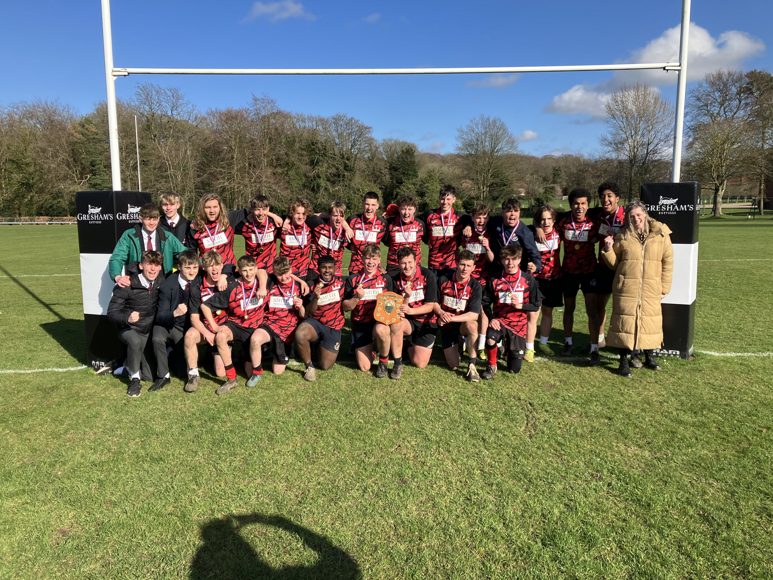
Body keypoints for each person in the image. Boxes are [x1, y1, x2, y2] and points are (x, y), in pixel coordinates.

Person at [601, 201, 673, 377]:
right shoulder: (623, 235)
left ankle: (649, 356)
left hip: (651, 287)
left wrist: (665, 287)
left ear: (645, 214)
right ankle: (623, 361)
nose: (636, 219)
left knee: (651, 322)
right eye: (632, 216)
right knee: (624, 323)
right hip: (626, 287)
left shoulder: (661, 234)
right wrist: (608, 250)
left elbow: (668, 262)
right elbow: (615, 264)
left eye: (639, 215)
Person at [199, 255, 269, 395]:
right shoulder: (233, 287)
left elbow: (263, 272)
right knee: (220, 337)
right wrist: (215, 327)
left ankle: (248, 361)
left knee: (250, 373)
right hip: (236, 325)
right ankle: (231, 379)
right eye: (244, 271)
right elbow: (205, 306)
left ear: (255, 269)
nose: (248, 274)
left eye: (251, 269)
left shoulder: (264, 282)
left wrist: (262, 286)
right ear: (240, 271)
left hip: (254, 326)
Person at [107, 250, 165, 397]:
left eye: (156, 265)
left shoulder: (161, 282)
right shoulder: (127, 284)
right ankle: (134, 381)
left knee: (150, 376)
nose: (153, 268)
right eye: (149, 264)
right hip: (128, 328)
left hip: (146, 330)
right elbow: (111, 313)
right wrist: (127, 318)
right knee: (134, 340)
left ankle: (124, 368)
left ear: (160, 267)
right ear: (141, 265)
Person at [480, 245, 540, 380]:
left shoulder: (529, 280)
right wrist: (491, 319)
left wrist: (521, 306)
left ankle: (508, 348)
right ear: (502, 260)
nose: (510, 263)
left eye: (514, 259)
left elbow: (536, 306)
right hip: (500, 321)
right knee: (490, 338)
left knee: (514, 369)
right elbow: (485, 303)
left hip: (518, 326)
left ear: (519, 260)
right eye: (507, 259)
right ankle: (491, 365)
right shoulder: (494, 279)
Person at [554, 188, 601, 364]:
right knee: (569, 308)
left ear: (588, 205)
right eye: (576, 203)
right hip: (569, 272)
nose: (579, 207)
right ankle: (568, 342)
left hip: (589, 271)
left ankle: (595, 348)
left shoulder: (595, 221)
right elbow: (541, 218)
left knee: (591, 310)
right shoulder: (563, 221)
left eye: (583, 203)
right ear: (571, 205)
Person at [342, 244, 398, 378]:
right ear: (362, 259)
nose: (370, 262)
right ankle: (373, 350)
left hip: (379, 322)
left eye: (374, 258)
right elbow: (345, 307)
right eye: (367, 258)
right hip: (361, 323)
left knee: (382, 330)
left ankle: (383, 362)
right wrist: (356, 297)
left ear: (379, 260)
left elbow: (392, 303)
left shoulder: (386, 279)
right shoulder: (353, 279)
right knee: (364, 367)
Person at [151, 250, 200, 391]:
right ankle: (163, 376)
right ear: (179, 267)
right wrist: (175, 313)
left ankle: (169, 352)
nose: (192, 271)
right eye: (188, 267)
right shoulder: (168, 285)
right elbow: (160, 316)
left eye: (195, 267)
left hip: (184, 328)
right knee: (157, 338)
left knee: (182, 372)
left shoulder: (199, 279)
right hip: (167, 323)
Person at [184, 250, 231, 393]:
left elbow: (238, 268)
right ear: (203, 268)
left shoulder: (228, 281)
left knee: (220, 372)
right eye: (210, 266)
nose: (214, 268)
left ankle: (219, 353)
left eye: (217, 265)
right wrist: (207, 333)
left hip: (224, 328)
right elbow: (194, 318)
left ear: (222, 266)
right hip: (205, 327)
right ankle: (193, 375)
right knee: (190, 336)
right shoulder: (197, 287)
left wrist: (225, 276)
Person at [251, 256, 306, 378]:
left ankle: (274, 351)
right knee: (255, 339)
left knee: (277, 371)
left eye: (286, 273)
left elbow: (303, 315)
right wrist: (262, 287)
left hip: (287, 330)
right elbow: (260, 271)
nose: (284, 277)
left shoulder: (299, 286)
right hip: (269, 324)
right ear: (274, 272)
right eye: (280, 274)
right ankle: (256, 372)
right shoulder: (271, 281)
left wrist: (301, 307)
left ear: (291, 270)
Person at [390, 246, 438, 379]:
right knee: (396, 324)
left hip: (426, 320)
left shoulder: (428, 275)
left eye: (410, 262)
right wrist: (406, 297)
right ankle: (397, 363)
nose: (407, 266)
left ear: (416, 261)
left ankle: (407, 346)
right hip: (407, 320)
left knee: (420, 363)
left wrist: (412, 310)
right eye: (403, 263)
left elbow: (430, 305)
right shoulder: (395, 280)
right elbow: (400, 311)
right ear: (398, 264)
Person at [295, 255, 346, 381]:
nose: (327, 270)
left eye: (330, 267)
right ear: (318, 269)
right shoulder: (311, 285)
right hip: (316, 322)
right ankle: (309, 366)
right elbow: (308, 313)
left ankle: (318, 345)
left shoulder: (343, 283)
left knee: (325, 366)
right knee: (301, 333)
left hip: (334, 326)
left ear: (335, 269)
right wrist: (316, 298)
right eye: (323, 267)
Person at [109, 203, 185, 287]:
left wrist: (200, 264)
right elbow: (117, 258)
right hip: (137, 286)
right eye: (148, 219)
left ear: (159, 219)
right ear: (141, 219)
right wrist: (117, 277)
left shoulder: (168, 237)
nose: (152, 223)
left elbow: (185, 255)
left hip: (163, 284)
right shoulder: (129, 235)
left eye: (155, 219)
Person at [435, 250, 483, 382]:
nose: (464, 269)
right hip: (447, 324)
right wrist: (441, 313)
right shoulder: (444, 280)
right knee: (454, 365)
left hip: (462, 322)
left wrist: (452, 318)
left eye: (468, 266)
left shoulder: (475, 286)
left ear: (473, 267)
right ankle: (459, 343)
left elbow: (474, 315)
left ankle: (472, 365)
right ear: (456, 263)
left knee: (473, 326)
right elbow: (434, 302)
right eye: (462, 264)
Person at [527, 205, 563, 357]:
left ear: (554, 220)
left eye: (549, 219)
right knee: (533, 314)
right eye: (542, 220)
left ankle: (543, 343)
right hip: (536, 280)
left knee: (548, 312)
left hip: (554, 279)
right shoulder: (531, 233)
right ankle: (529, 348)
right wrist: (537, 228)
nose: (546, 222)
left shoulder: (560, 232)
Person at [461, 202, 495, 359]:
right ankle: (464, 339)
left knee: (481, 310)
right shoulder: (466, 233)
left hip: (482, 279)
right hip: (466, 278)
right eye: (478, 217)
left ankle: (480, 344)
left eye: (484, 217)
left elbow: (492, 260)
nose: (481, 220)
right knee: (464, 307)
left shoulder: (491, 233)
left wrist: (488, 247)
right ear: (472, 218)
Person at [186, 193, 247, 269]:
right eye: (208, 207)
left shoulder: (230, 219)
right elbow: (191, 253)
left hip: (228, 271)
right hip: (206, 271)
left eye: (215, 207)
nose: (212, 211)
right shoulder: (195, 227)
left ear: (220, 208)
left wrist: (267, 213)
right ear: (202, 209)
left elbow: (252, 210)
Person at [419, 185, 467, 279]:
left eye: (448, 199)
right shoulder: (429, 214)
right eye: (442, 199)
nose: (445, 202)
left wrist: (468, 226)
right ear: (439, 199)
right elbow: (416, 222)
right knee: (434, 291)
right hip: (433, 262)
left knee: (449, 291)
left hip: (452, 263)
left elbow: (475, 219)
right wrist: (426, 239)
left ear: (454, 199)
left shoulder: (461, 217)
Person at [233, 194, 284, 273]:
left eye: (264, 209)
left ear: (268, 209)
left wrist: (273, 215)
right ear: (251, 210)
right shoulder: (245, 224)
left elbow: (293, 216)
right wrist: (247, 214)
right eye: (257, 209)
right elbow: (229, 218)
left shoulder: (274, 222)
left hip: (272, 269)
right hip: (252, 270)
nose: (261, 213)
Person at [383, 194, 425, 277]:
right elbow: (385, 241)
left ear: (415, 210)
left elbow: (428, 240)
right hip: (394, 266)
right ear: (399, 209)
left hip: (413, 265)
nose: (406, 213)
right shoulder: (390, 223)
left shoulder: (420, 224)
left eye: (410, 209)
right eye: (403, 209)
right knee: (393, 290)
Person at [346, 192, 387, 275]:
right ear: (363, 204)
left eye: (373, 205)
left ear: (377, 206)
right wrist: (349, 246)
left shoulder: (382, 224)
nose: (369, 208)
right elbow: (341, 236)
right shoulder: (352, 220)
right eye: (367, 204)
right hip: (355, 268)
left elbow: (389, 242)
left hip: (374, 267)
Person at [278, 197, 314, 277]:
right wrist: (286, 220)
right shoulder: (283, 226)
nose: (300, 217)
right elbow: (265, 214)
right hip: (285, 272)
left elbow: (331, 217)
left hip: (303, 273)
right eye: (297, 213)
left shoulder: (310, 226)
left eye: (303, 214)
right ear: (291, 213)